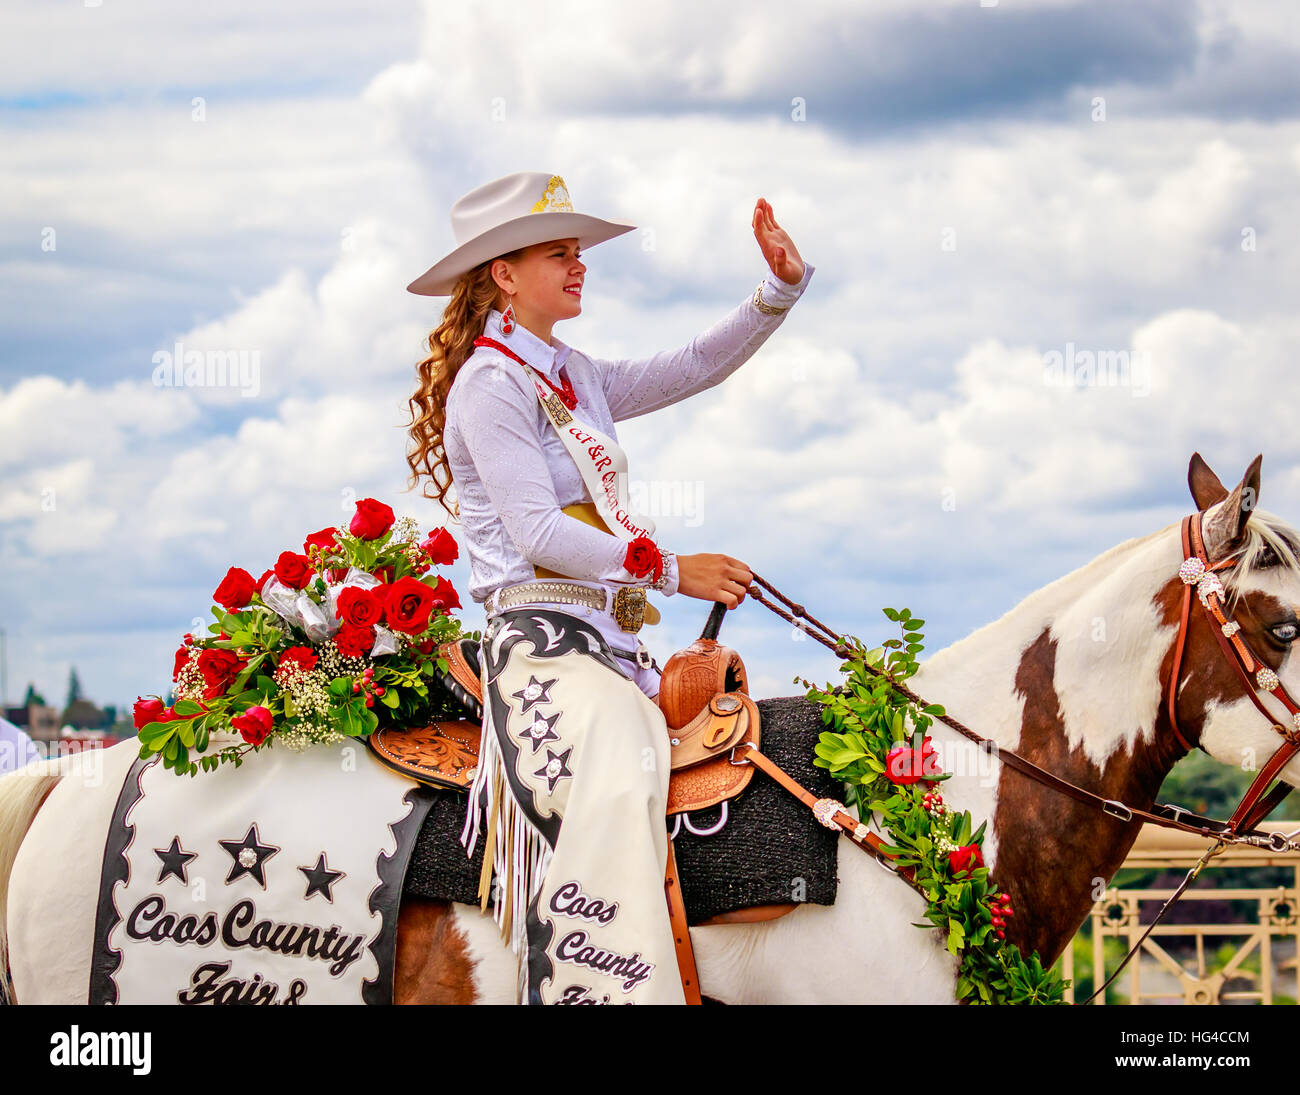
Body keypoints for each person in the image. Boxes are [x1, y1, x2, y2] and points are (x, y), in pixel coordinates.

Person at [404, 171, 813, 1004]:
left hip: (611, 642)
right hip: (542, 649)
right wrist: (671, 569)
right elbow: (539, 534)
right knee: (625, 752)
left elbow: (695, 364)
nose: (578, 264)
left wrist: (778, 289)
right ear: (505, 275)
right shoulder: (490, 384)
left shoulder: (574, 375)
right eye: (559, 252)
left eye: (578, 251)